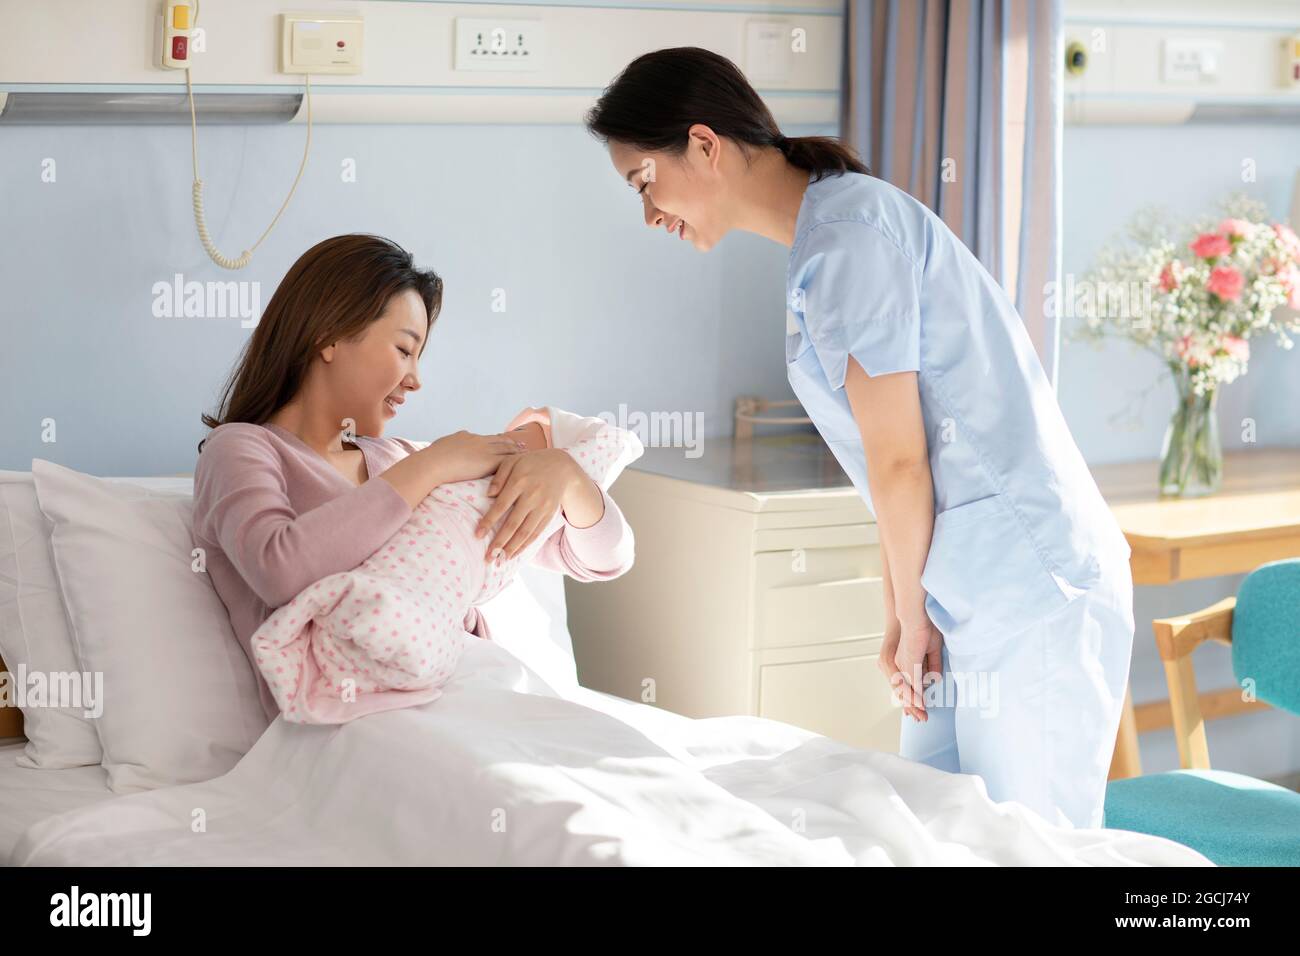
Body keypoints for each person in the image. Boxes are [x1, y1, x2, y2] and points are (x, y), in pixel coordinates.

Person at [584, 47, 1134, 829]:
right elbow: (892, 469)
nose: (648, 213)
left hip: (1030, 586)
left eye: (644, 182)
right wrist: (903, 611)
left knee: (1028, 843)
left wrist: (912, 616)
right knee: (943, 835)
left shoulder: (849, 239)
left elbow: (902, 459)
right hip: (967, 588)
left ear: (703, 145)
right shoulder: (827, 240)